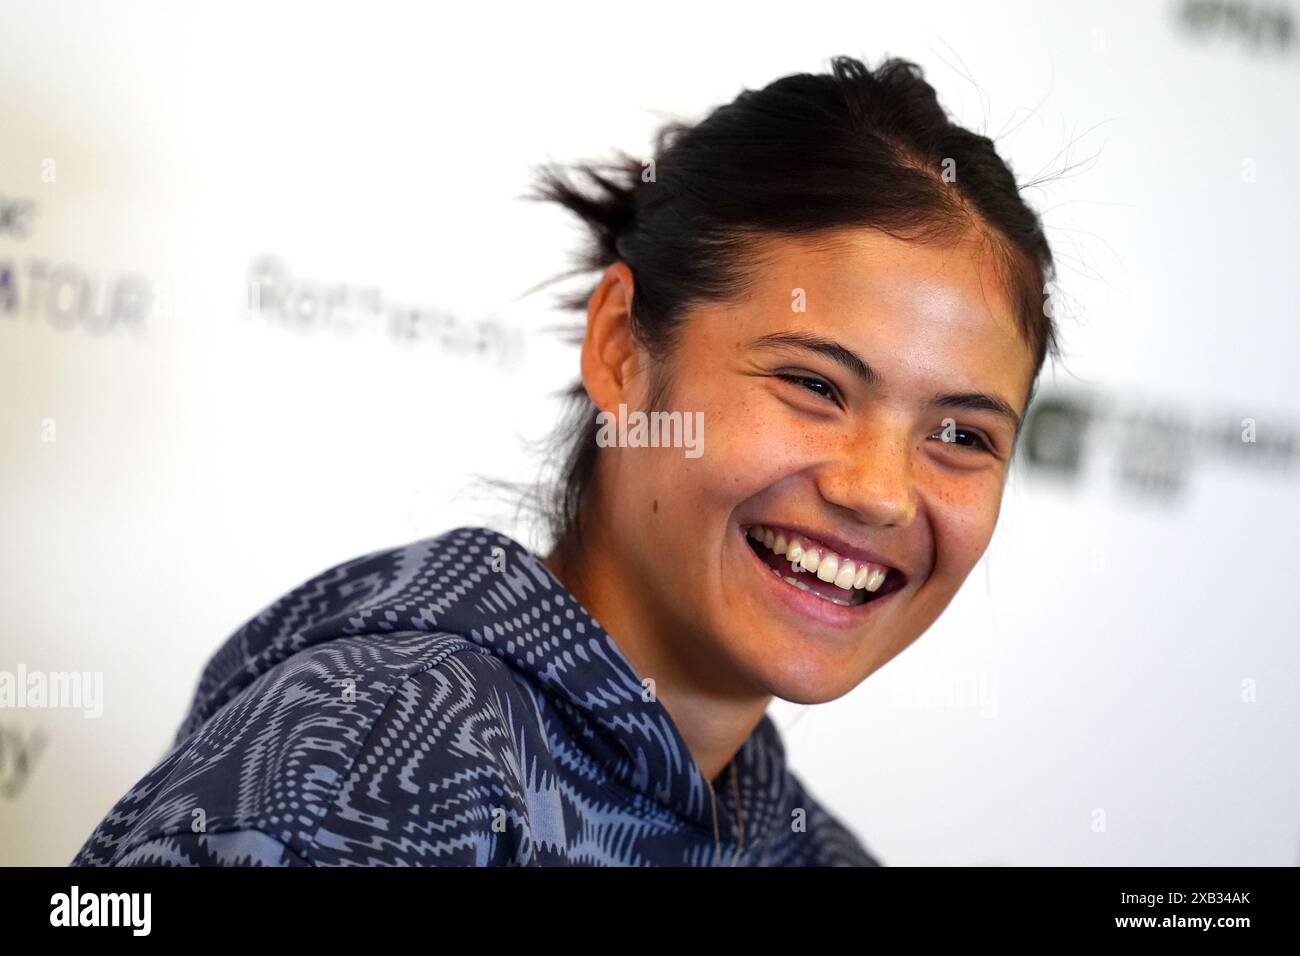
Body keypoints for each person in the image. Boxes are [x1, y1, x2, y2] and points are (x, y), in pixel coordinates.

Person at [72, 52, 1060, 867]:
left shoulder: (818, 855)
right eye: (813, 385)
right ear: (623, 351)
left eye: (961, 435)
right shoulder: (376, 751)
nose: (879, 490)